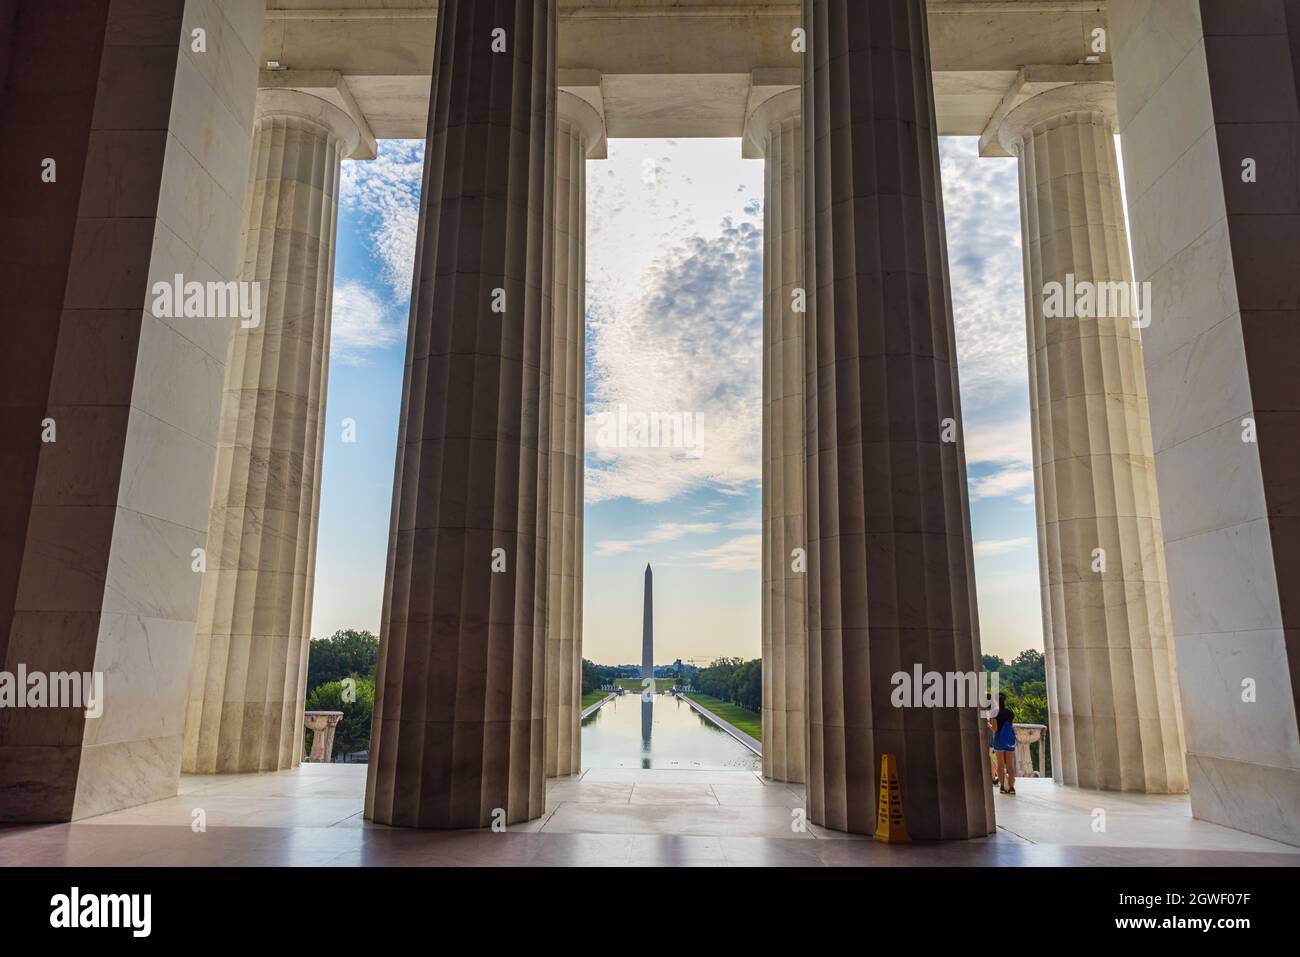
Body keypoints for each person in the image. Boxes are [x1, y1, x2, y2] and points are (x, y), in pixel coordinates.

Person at [989, 693, 1017, 794]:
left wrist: (988, 725)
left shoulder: (994, 713)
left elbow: (995, 729)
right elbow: (1011, 726)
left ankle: (1002, 787)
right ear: (1005, 701)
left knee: (1000, 764)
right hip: (1009, 740)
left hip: (999, 739)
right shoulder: (1010, 713)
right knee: (1010, 765)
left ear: (996, 701)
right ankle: (1012, 787)